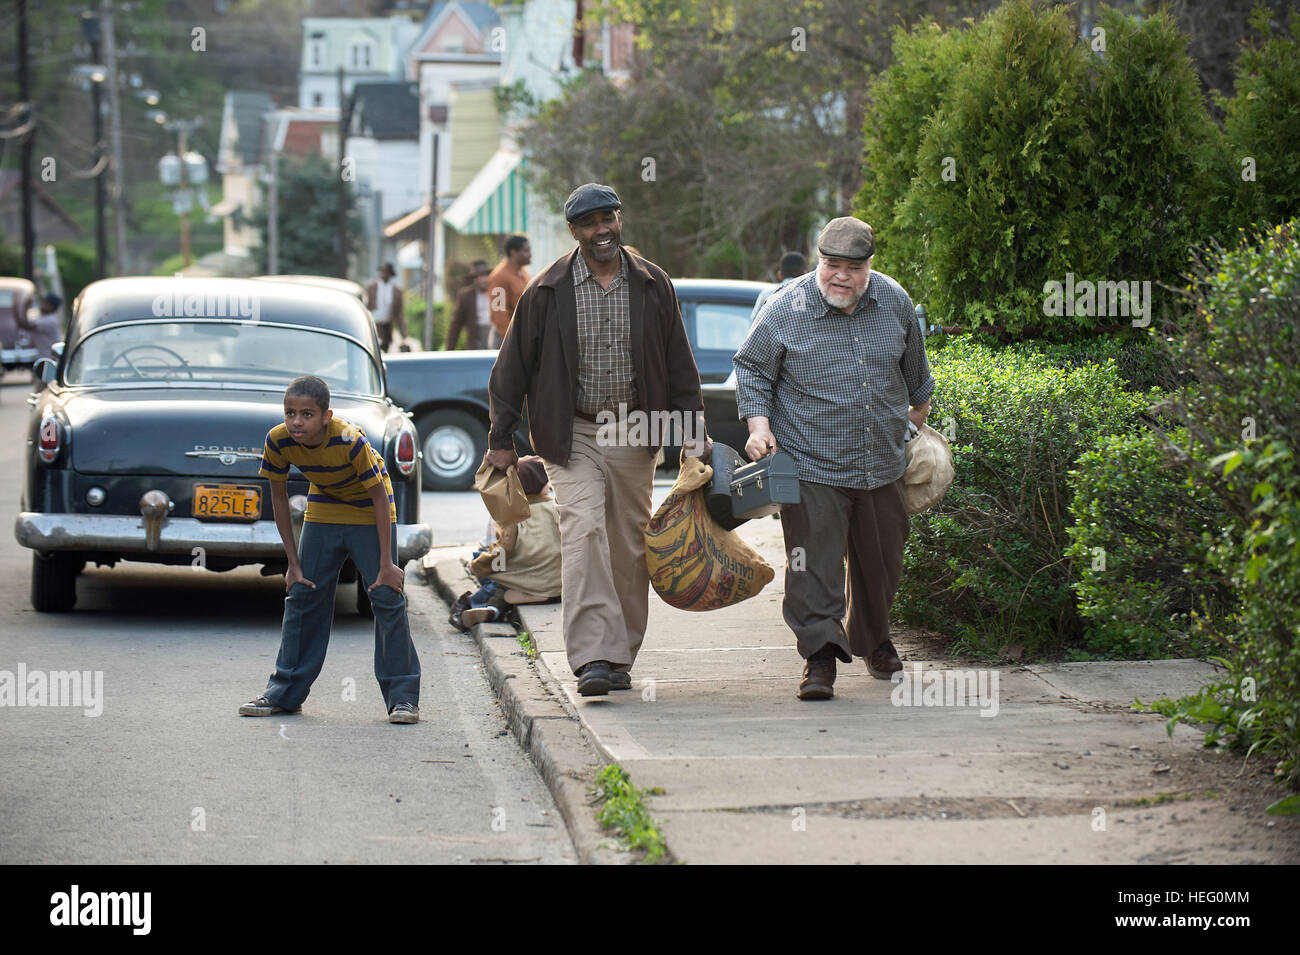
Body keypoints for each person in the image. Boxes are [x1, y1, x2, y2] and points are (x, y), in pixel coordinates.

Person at [486, 183, 707, 697]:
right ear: (574, 232)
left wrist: (692, 432)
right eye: (589, 224)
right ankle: (591, 658)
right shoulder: (547, 290)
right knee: (583, 528)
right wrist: (501, 437)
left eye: (607, 219)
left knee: (628, 541)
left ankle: (621, 652)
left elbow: (679, 362)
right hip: (573, 428)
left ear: (619, 219)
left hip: (635, 428)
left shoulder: (653, 284)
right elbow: (511, 366)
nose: (600, 230)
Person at [733, 216, 935, 701]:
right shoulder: (785, 309)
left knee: (882, 562)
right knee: (813, 566)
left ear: (870, 266)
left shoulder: (894, 301)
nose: (839, 276)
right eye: (830, 264)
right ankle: (820, 657)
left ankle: (873, 639)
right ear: (818, 260)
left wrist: (913, 421)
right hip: (811, 463)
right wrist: (758, 427)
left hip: (881, 462)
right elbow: (751, 370)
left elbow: (918, 377)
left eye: (852, 267)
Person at [239, 375, 422, 723]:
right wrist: (292, 564)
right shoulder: (278, 441)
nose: (296, 421)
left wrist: (387, 565)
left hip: (371, 509)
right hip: (324, 505)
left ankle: (403, 698)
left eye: (307, 414)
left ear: (326, 415)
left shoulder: (350, 440)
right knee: (303, 594)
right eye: (290, 412)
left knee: (385, 596)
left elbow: (379, 497)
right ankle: (284, 693)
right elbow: (278, 499)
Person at [458, 455, 562, 628]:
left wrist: (478, 566)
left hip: (524, 575)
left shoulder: (511, 515)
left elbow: (503, 550)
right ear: (543, 485)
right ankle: (501, 606)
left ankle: (490, 607)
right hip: (557, 579)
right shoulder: (556, 508)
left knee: (489, 569)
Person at [486, 235, 532, 347]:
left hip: (521, 335)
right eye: (526, 251)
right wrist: (511, 340)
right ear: (513, 252)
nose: (530, 255)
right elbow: (498, 312)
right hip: (506, 338)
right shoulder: (499, 276)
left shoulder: (522, 273)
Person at [748, 251, 808, 324]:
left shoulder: (767, 294)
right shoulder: (812, 294)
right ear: (806, 274)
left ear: (780, 275)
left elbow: (754, 322)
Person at [445, 260, 492, 350]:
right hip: (476, 339)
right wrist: (449, 350)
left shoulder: (498, 292)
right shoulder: (465, 295)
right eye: (479, 277)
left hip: (496, 336)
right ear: (473, 279)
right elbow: (456, 324)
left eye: (485, 275)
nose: (483, 280)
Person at [364, 263, 405, 352]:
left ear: (390, 274)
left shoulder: (396, 291)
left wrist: (403, 334)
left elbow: (399, 313)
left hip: (387, 325)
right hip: (374, 323)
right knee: (373, 347)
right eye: (382, 271)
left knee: (385, 348)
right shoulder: (371, 288)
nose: (383, 274)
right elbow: (366, 305)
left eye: (386, 272)